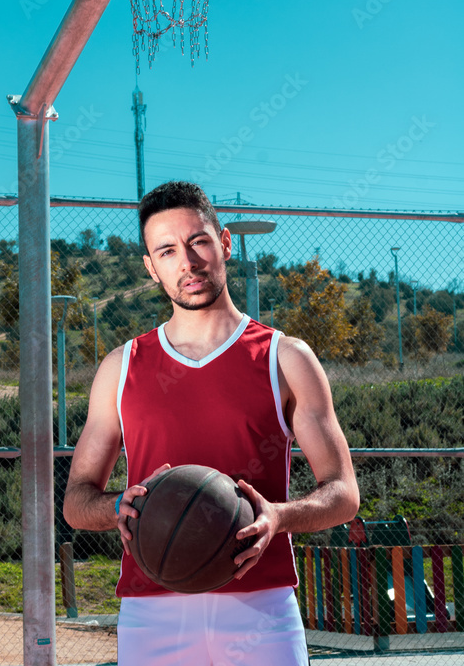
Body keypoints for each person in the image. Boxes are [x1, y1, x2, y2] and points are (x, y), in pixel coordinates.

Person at [64, 181, 359, 666]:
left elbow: (344, 493)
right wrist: (120, 505)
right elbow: (76, 501)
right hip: (151, 607)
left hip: (260, 606)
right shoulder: (122, 367)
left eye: (198, 242)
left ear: (223, 243)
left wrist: (278, 517)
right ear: (151, 267)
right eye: (167, 250)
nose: (188, 261)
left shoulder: (284, 359)